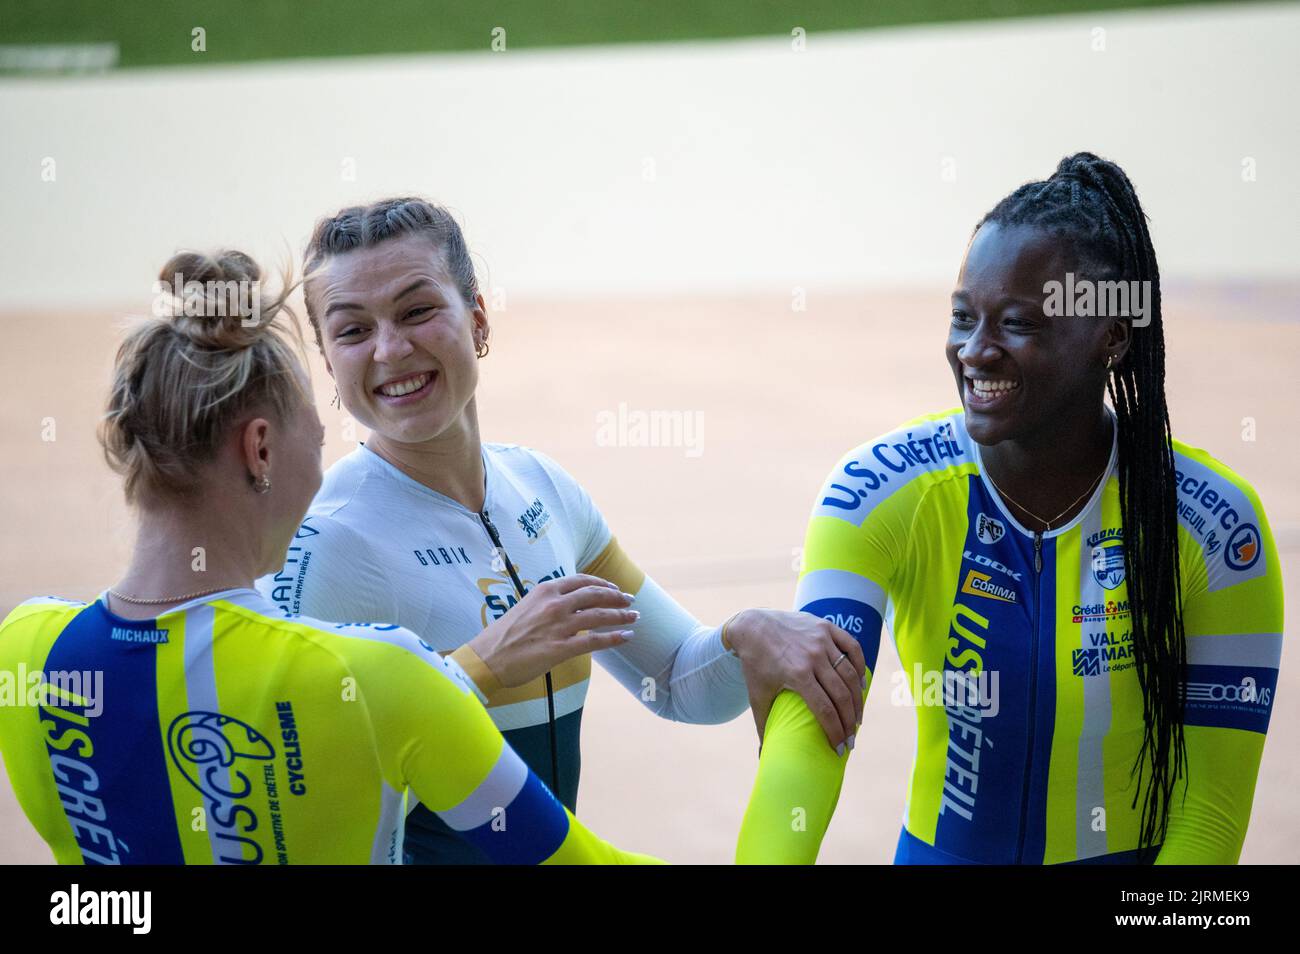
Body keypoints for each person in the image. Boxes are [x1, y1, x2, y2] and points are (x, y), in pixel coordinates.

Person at [257, 197, 868, 864]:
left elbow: (673, 681)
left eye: (418, 310)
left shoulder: (541, 487)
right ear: (328, 362)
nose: (391, 349)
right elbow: (301, 806)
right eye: (352, 331)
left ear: (478, 319)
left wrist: (743, 635)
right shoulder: (325, 546)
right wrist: (482, 666)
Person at [0, 250, 658, 865]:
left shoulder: (25, 649)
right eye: (314, 444)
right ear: (260, 450)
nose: (321, 481)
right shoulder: (380, 673)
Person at [734, 153, 1284, 865]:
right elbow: (808, 747)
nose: (975, 351)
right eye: (964, 316)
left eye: (1017, 323)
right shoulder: (876, 492)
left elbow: (1210, 814)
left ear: (1111, 336)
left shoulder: (1213, 526)